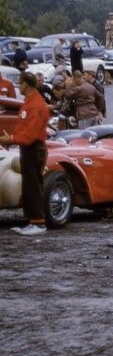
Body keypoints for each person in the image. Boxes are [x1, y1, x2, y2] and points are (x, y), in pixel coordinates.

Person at [0, 71, 51, 236]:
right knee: (28, 185)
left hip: (34, 148)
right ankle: (32, 221)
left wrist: (11, 139)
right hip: (28, 148)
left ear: (25, 85)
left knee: (34, 185)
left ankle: (39, 222)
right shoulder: (30, 103)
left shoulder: (36, 105)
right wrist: (12, 137)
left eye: (20, 83)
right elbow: (23, 128)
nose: (18, 86)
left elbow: (31, 134)